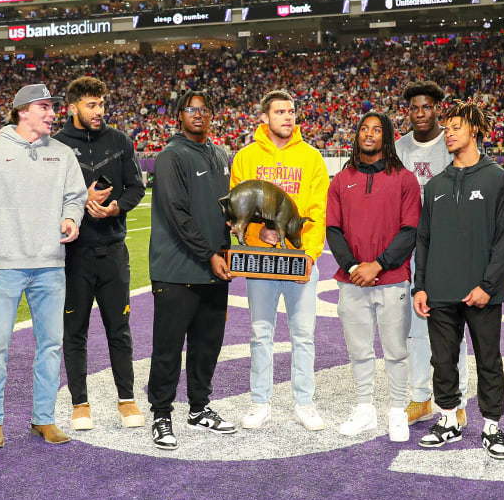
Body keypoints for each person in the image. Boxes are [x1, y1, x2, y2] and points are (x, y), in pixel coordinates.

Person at [0, 83, 86, 449]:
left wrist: (71, 218)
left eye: (53, 107)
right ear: (22, 111)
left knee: (51, 345)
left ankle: (44, 418)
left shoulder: (63, 153)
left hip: (50, 264)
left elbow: (75, 196)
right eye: (45, 107)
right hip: (2, 265)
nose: (53, 113)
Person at [412, 102, 504, 459]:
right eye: (447, 128)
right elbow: (423, 239)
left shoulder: (499, 178)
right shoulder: (436, 184)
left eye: (457, 126)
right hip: (439, 290)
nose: (449, 133)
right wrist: (420, 286)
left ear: (475, 129)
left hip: (482, 292)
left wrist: (488, 285)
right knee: (442, 361)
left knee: (489, 360)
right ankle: (448, 420)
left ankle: (492, 426)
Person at [230, 89, 330, 431]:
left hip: (299, 259)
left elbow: (318, 210)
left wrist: (309, 255)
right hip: (261, 259)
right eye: (280, 112)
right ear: (264, 117)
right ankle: (260, 402)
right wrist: (258, 233)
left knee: (303, 335)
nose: (288, 117)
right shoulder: (245, 157)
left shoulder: (311, 157)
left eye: (291, 112)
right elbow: (237, 206)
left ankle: (305, 402)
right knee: (261, 333)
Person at [53, 76, 147, 431]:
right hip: (74, 255)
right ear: (73, 107)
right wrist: (82, 200)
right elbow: (48, 198)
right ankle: (80, 404)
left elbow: (137, 187)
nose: (99, 111)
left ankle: (127, 399)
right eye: (91, 104)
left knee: (119, 330)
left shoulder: (120, 141)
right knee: (74, 332)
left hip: (113, 251)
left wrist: (115, 208)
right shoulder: (57, 146)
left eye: (101, 103)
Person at [147, 90, 237, 450]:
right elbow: (177, 214)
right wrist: (209, 253)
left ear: (212, 114)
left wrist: (231, 243)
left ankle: (199, 408)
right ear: (179, 116)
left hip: (214, 267)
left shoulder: (220, 154)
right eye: (190, 109)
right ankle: (161, 414)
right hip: (177, 268)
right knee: (168, 348)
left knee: (207, 345)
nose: (198, 115)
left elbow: (227, 209)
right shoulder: (171, 155)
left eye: (204, 109)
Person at [326, 111, 420, 438]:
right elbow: (333, 229)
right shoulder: (341, 179)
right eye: (364, 129)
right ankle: (364, 408)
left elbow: (410, 231)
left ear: (386, 136)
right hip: (352, 280)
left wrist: (378, 265)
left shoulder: (405, 179)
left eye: (376, 129)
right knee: (359, 350)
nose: (369, 134)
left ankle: (397, 411)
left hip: (392, 278)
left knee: (396, 351)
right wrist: (354, 267)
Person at [394, 81, 468, 436]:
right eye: (414, 108)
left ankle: (458, 400)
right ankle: (421, 397)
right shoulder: (399, 148)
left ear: (438, 108)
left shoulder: (451, 142)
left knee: (453, 328)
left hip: (447, 248)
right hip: (410, 249)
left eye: (426, 106)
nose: (420, 113)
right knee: (414, 329)